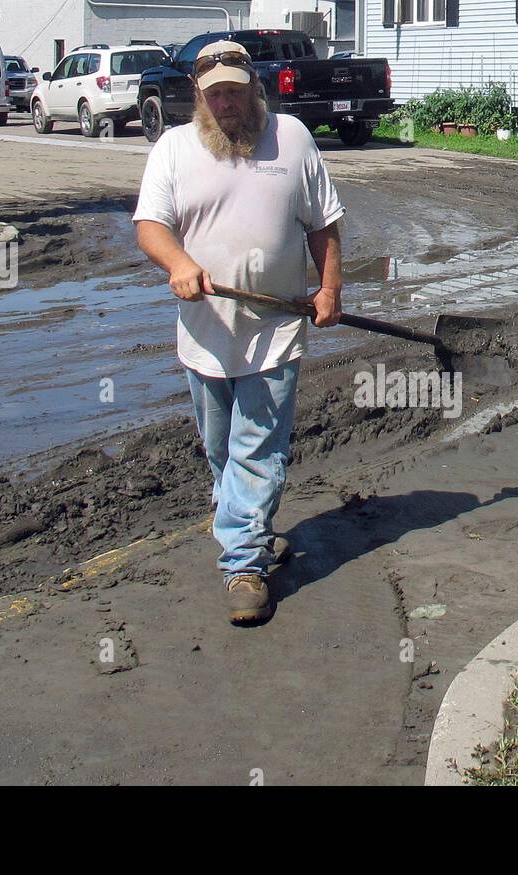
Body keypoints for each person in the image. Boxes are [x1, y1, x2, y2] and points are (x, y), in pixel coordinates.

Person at [133, 40, 345, 624]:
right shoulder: (174, 149)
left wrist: (328, 290)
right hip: (205, 333)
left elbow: (324, 224)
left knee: (258, 449)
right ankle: (243, 525)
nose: (227, 102)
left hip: (276, 328)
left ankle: (245, 565)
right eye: (215, 93)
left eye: (235, 90)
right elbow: (151, 225)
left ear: (255, 87)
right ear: (199, 96)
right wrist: (178, 263)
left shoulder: (293, 138)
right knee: (222, 450)